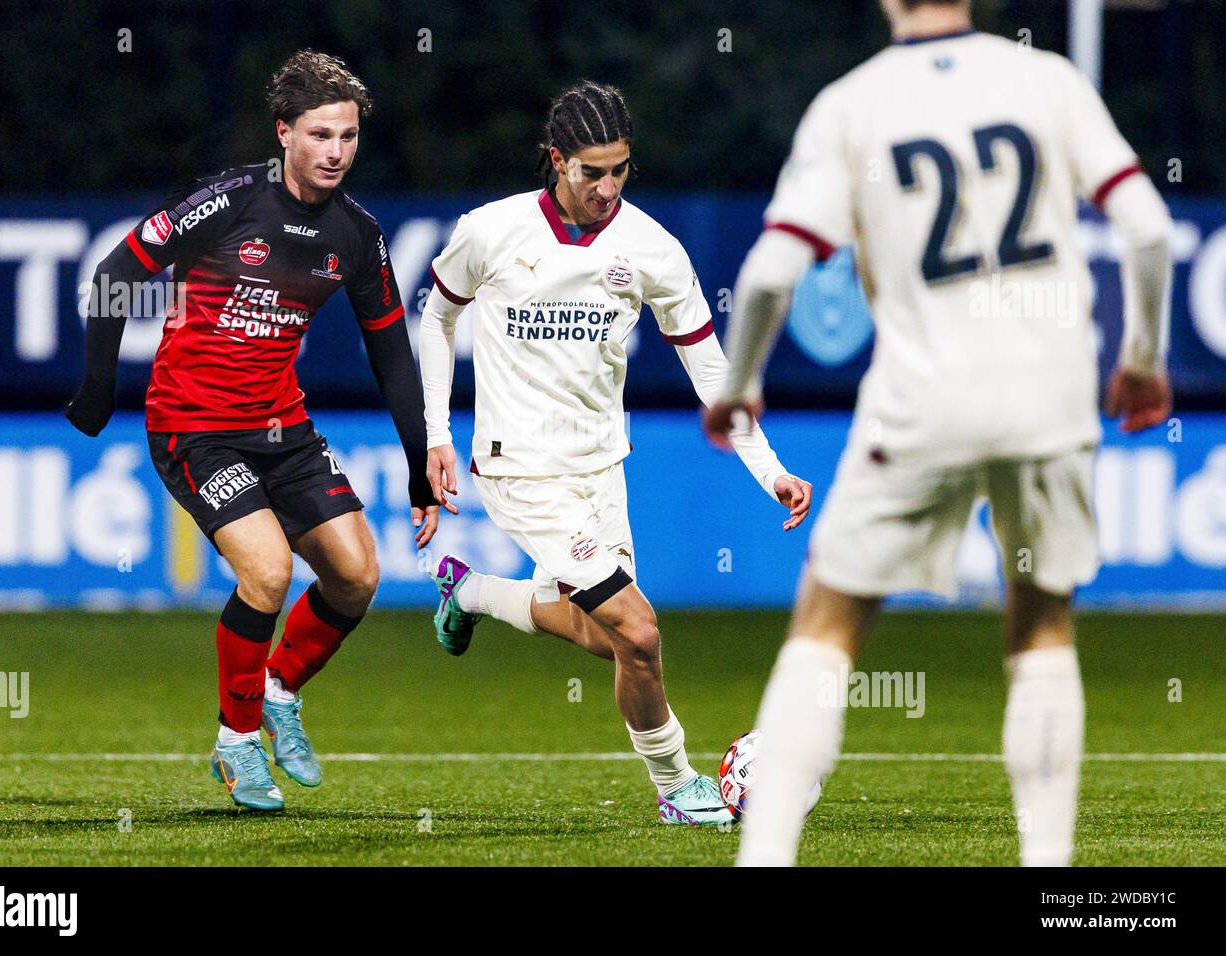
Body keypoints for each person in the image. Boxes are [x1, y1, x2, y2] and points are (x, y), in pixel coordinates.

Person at [705, 0, 1173, 864]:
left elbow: (771, 271)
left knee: (827, 628)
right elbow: (1147, 228)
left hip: (920, 398)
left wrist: (739, 387)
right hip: (1051, 394)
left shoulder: (852, 104)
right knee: (1040, 628)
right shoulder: (1047, 80)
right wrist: (1141, 356)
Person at [419, 82, 814, 825]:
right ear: (555, 160)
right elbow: (436, 319)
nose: (606, 189)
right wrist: (436, 433)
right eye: (590, 172)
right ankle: (678, 788)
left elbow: (710, 370)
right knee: (640, 630)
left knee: (610, 641)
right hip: (520, 468)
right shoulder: (491, 231)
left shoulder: (652, 249)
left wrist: (771, 471)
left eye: (620, 171)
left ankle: (469, 592)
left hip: (602, 467)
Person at [65, 50, 439, 811]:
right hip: (192, 426)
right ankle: (235, 745)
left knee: (359, 574)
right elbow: (113, 275)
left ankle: (278, 691)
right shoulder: (228, 201)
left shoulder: (358, 236)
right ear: (284, 133)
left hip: (283, 426)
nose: (336, 152)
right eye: (320, 135)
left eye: (348, 137)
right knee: (266, 572)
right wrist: (98, 389)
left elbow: (391, 348)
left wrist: (415, 460)